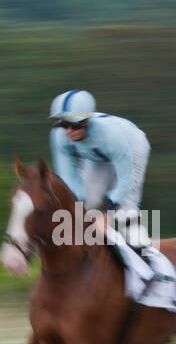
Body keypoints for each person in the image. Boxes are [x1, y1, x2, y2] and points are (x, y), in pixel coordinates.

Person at [47, 89, 152, 249]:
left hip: (132, 147)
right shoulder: (59, 136)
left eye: (74, 125)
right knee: (89, 204)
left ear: (87, 121)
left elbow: (125, 180)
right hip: (98, 155)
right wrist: (80, 206)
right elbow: (68, 176)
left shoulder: (110, 134)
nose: (68, 131)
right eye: (63, 124)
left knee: (125, 208)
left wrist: (107, 212)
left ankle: (150, 258)